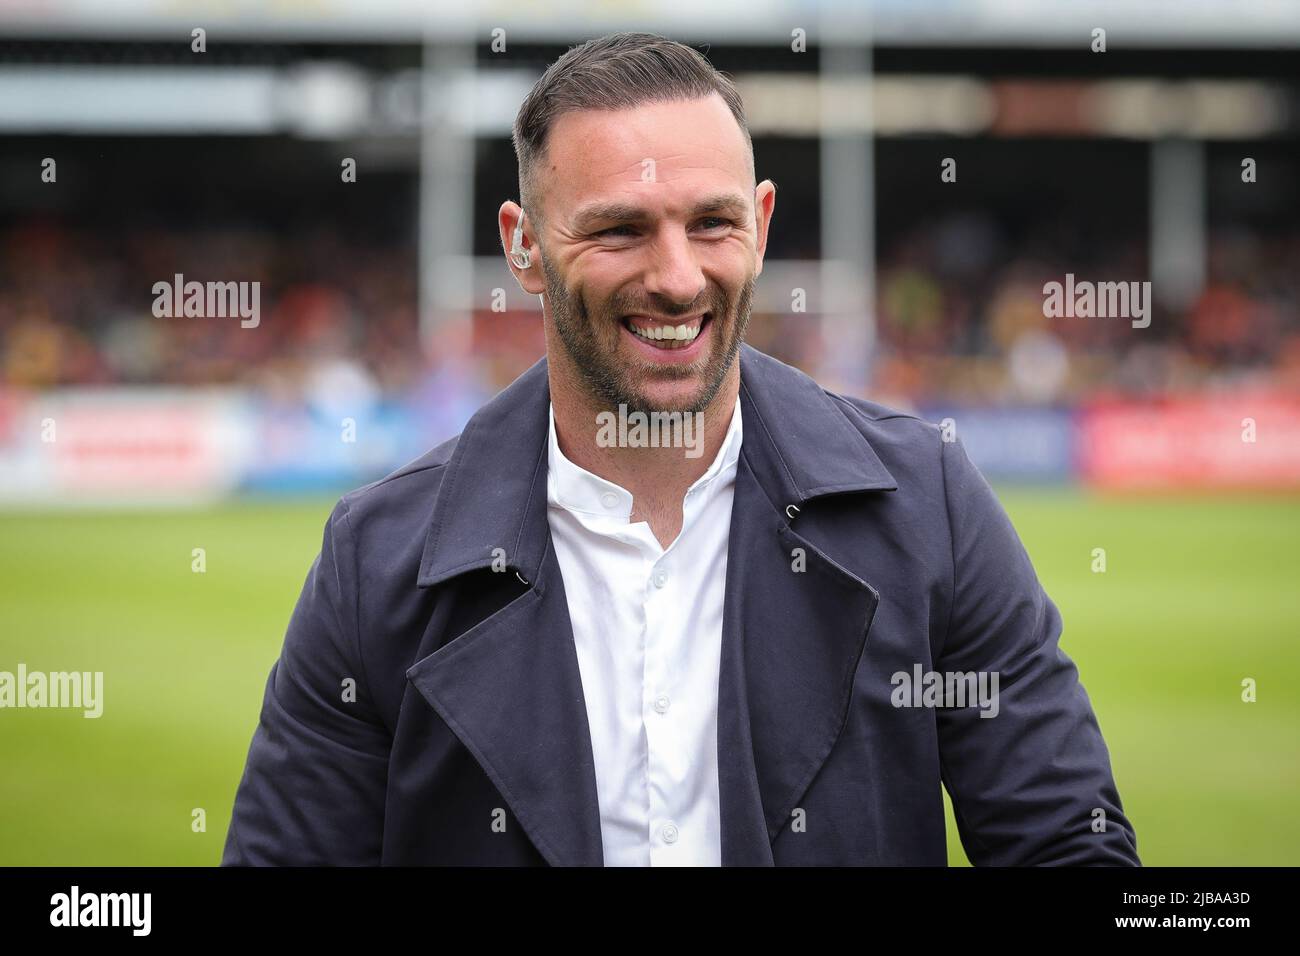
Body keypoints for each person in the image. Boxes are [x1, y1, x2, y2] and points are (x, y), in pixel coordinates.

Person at [222, 32, 1139, 866]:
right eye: (621, 228)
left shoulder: (925, 504)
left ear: (763, 223)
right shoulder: (376, 560)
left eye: (712, 222)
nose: (675, 276)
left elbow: (1066, 847)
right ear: (525, 246)